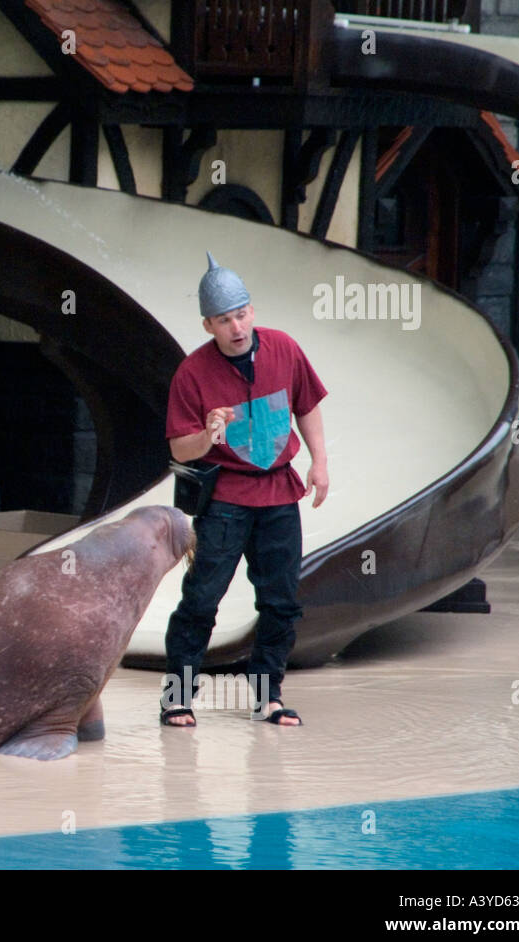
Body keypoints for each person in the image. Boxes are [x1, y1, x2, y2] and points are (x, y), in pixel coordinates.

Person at [160, 252, 329, 727]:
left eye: (240, 314)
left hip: (278, 493)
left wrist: (320, 461)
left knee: (281, 601)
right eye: (223, 319)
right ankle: (177, 696)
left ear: (251, 311)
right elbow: (181, 447)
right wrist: (209, 434)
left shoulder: (284, 349)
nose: (235, 327)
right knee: (201, 599)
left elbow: (307, 404)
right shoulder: (192, 373)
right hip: (226, 499)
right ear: (207, 324)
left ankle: (267, 695)